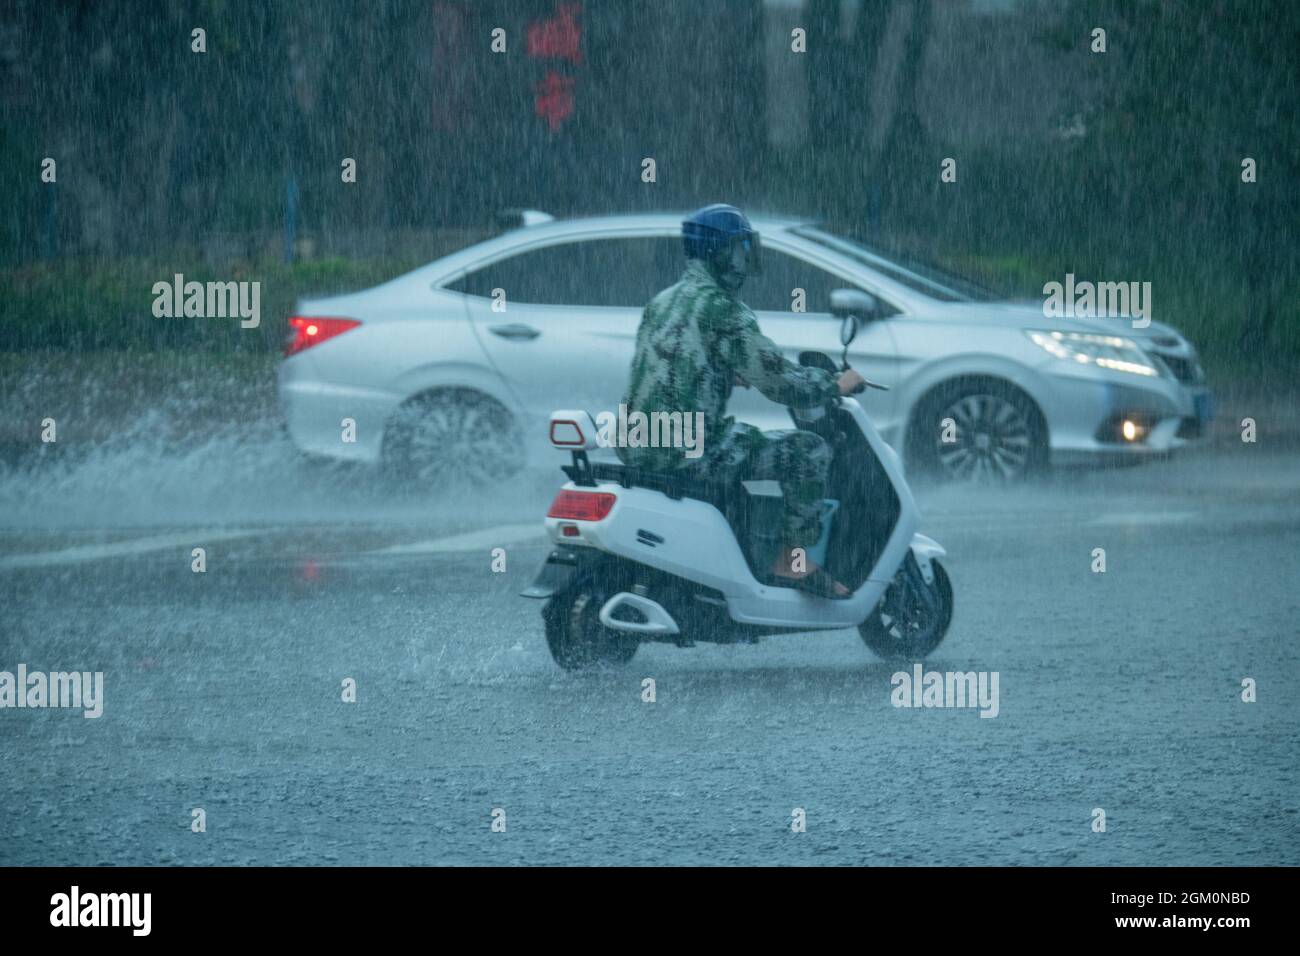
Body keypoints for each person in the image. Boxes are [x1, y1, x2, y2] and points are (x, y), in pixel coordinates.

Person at [617, 203, 864, 598]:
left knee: (744, 441)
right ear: (721, 252)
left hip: (637, 445)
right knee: (809, 450)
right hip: (690, 450)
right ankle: (792, 560)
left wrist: (720, 370)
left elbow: (670, 362)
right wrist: (835, 383)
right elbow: (780, 381)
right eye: (740, 249)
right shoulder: (723, 309)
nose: (746, 258)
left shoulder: (663, 301)